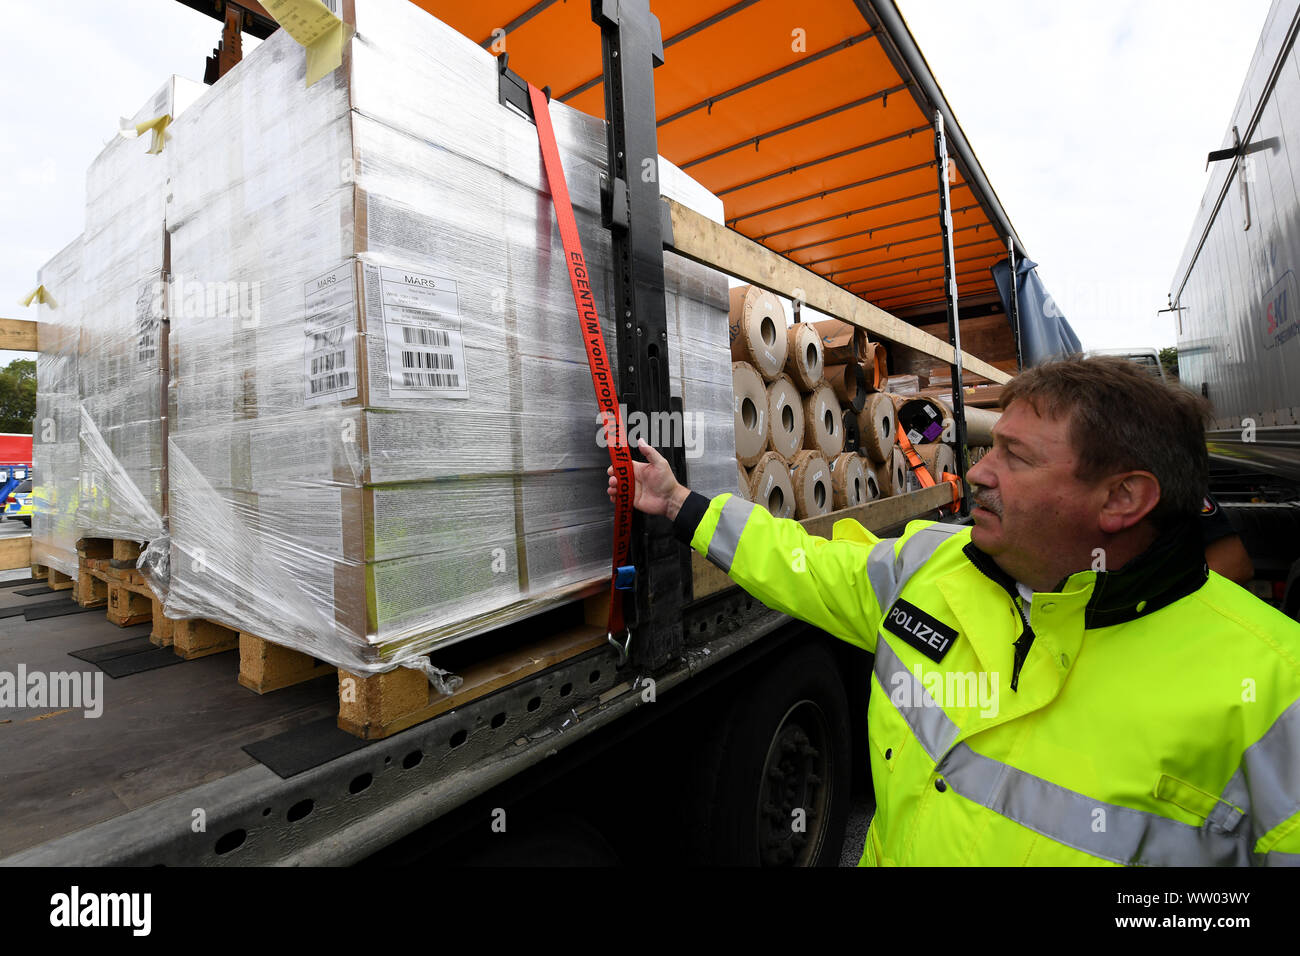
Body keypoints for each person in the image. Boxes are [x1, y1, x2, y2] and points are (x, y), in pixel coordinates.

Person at [609, 356, 1300, 866]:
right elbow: (803, 564)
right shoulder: (930, 567)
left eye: (1015, 458)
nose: (975, 474)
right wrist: (678, 505)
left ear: (1122, 500)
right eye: (989, 446)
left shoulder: (1273, 686)